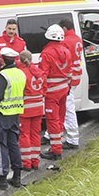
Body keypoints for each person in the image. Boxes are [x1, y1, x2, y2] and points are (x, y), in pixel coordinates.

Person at [0, 47, 26, 189]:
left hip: (1, 113)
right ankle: (17, 177)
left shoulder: (3, 76)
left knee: (0, 145)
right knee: (13, 144)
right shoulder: (20, 73)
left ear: (2, 60)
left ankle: (2, 179)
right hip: (15, 114)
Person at [38, 23, 73, 161]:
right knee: (60, 120)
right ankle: (57, 145)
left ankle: (56, 150)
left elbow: (43, 74)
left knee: (52, 121)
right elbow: (70, 72)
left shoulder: (47, 53)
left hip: (52, 93)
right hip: (64, 90)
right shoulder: (66, 51)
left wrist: (41, 91)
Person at [19, 50, 47, 173]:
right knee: (36, 134)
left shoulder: (21, 73)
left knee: (25, 135)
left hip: (26, 107)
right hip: (39, 106)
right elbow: (45, 89)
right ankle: (35, 161)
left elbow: (19, 90)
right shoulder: (39, 72)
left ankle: (27, 163)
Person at [60, 18, 85, 151]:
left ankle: (73, 139)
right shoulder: (77, 39)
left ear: (64, 28)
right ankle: (50, 134)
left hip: (68, 78)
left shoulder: (65, 41)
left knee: (68, 108)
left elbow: (63, 61)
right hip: (76, 75)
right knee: (64, 106)